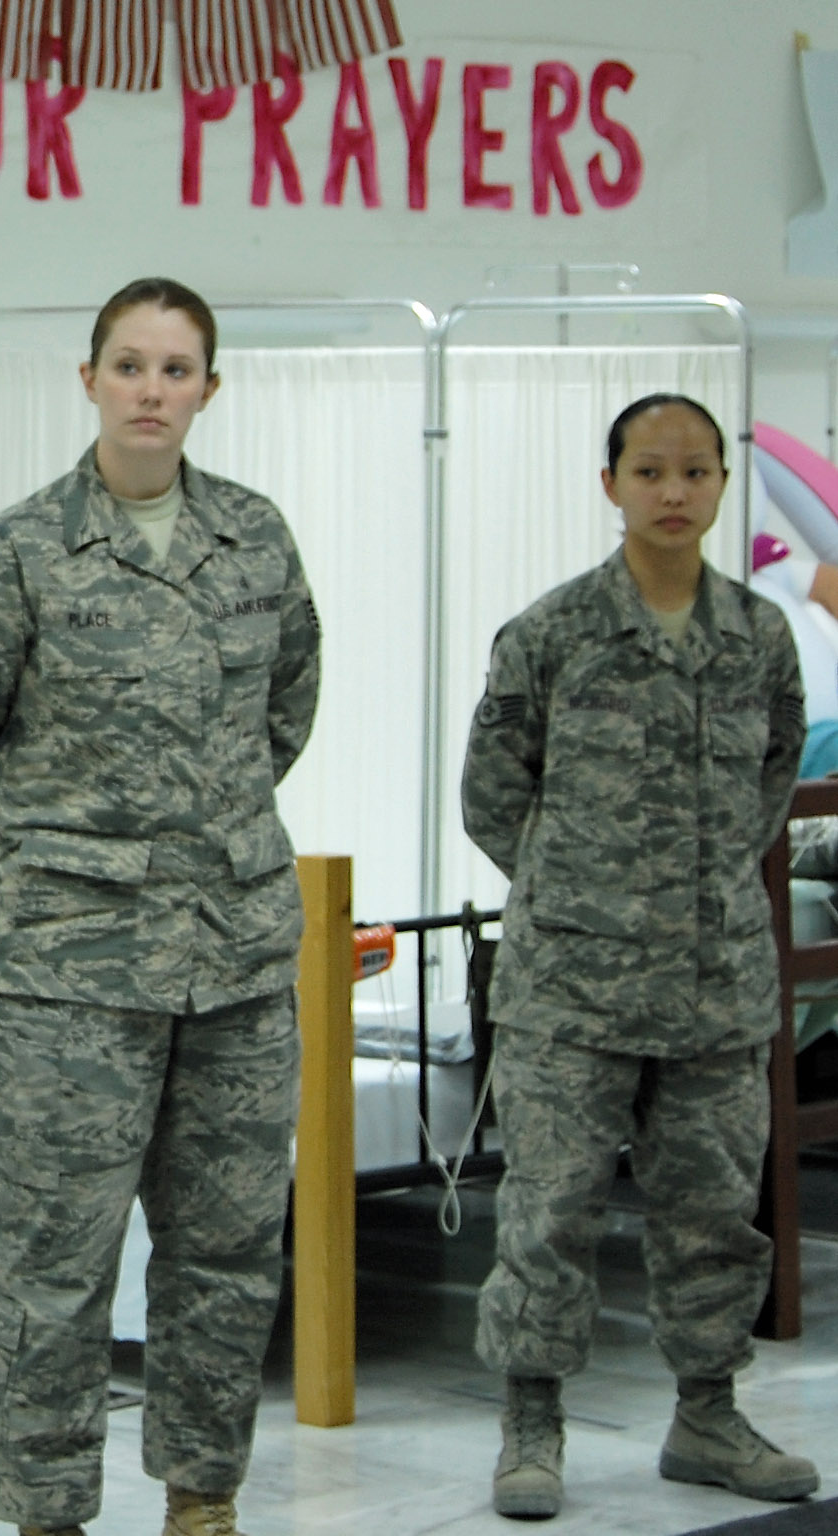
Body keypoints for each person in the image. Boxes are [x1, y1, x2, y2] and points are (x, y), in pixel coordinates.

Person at [0, 278, 319, 1536]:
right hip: (67, 980)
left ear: (206, 389)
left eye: (175, 369)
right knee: (51, 1266)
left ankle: (202, 1500)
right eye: (128, 366)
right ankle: (43, 1515)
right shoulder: (11, 554)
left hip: (235, 967)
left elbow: (281, 713)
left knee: (229, 1256)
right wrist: (60, 873)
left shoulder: (254, 538)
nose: (150, 391)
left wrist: (203, 841)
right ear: (85, 380)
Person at [462, 393, 817, 1521]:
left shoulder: (758, 636)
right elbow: (489, 796)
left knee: (714, 1211)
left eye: (696, 473)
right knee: (549, 1212)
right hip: (571, 991)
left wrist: (691, 898)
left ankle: (705, 1415)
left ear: (720, 486)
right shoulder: (550, 634)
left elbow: (769, 786)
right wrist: (585, 893)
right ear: (607, 485)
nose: (673, 493)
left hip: (716, 989)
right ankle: (530, 1424)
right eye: (649, 472)